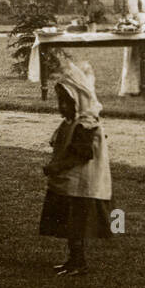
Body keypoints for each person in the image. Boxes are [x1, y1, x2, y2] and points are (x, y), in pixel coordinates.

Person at [40, 58, 113, 275]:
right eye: (59, 101)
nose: (62, 106)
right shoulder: (72, 122)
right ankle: (73, 259)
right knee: (71, 224)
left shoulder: (85, 124)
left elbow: (82, 155)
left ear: (79, 101)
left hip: (81, 183)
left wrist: (57, 167)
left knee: (77, 224)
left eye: (66, 102)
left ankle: (78, 261)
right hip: (71, 182)